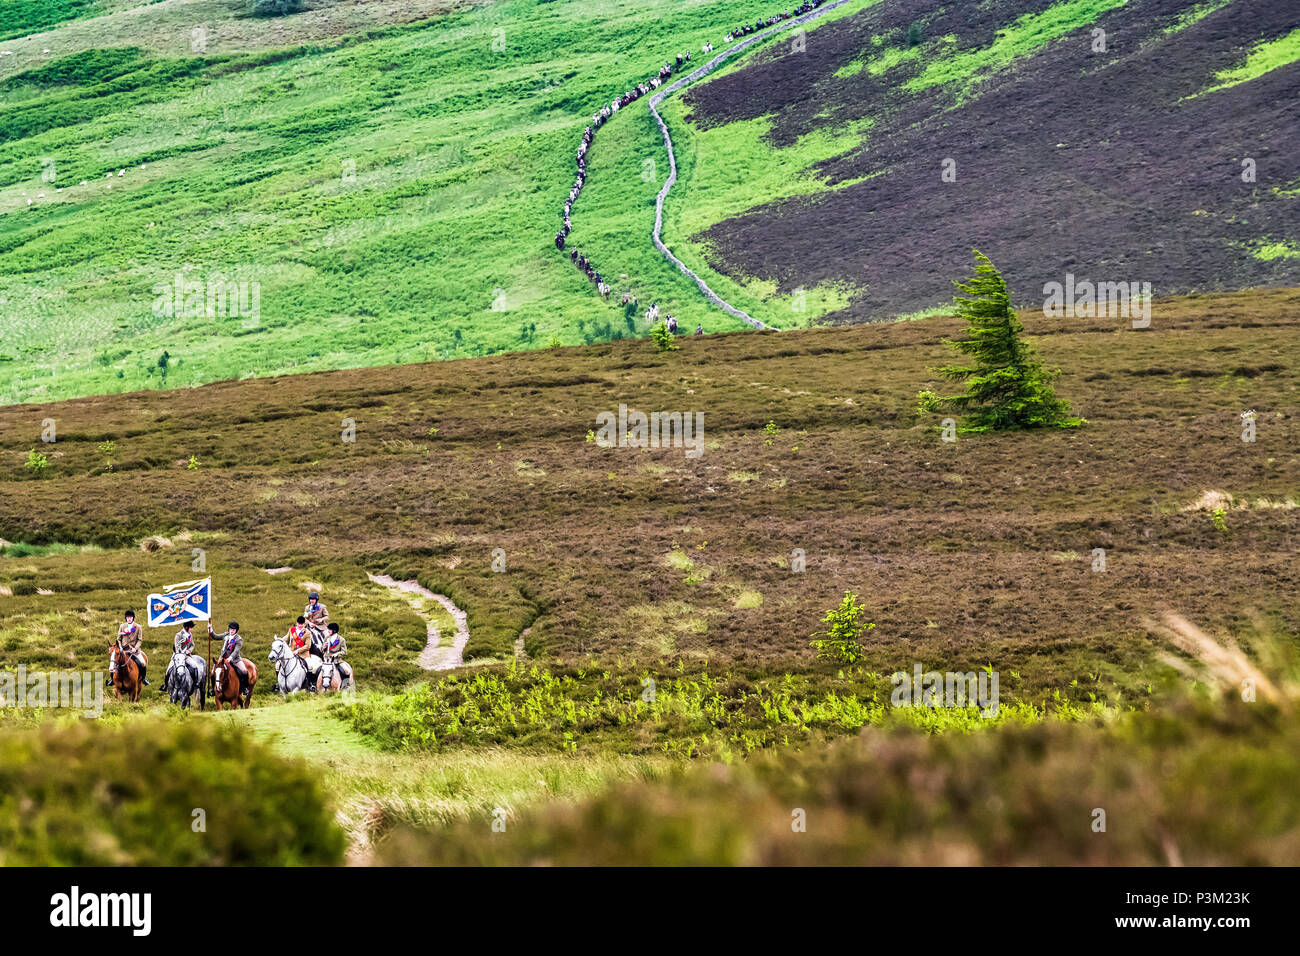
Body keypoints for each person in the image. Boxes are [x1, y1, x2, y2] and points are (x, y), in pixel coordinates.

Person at [211, 621, 250, 697]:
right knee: (213, 672)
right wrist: (210, 629)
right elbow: (214, 636)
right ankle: (213, 689)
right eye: (231, 629)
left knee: (244, 671)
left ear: (236, 631)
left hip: (235, 659)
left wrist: (230, 657)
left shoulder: (239, 639)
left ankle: (245, 687)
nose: (231, 631)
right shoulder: (226, 635)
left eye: (233, 630)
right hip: (222, 658)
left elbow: (236, 650)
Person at [110, 610, 149, 686]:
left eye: (130, 617)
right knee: (113, 662)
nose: (129, 619)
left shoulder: (138, 627)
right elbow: (118, 639)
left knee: (143, 663)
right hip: (123, 650)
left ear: (133, 618)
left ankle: (143, 678)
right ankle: (111, 679)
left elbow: (140, 640)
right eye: (128, 617)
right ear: (126, 618)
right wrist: (120, 647)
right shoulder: (122, 626)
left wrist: (136, 648)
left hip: (134, 650)